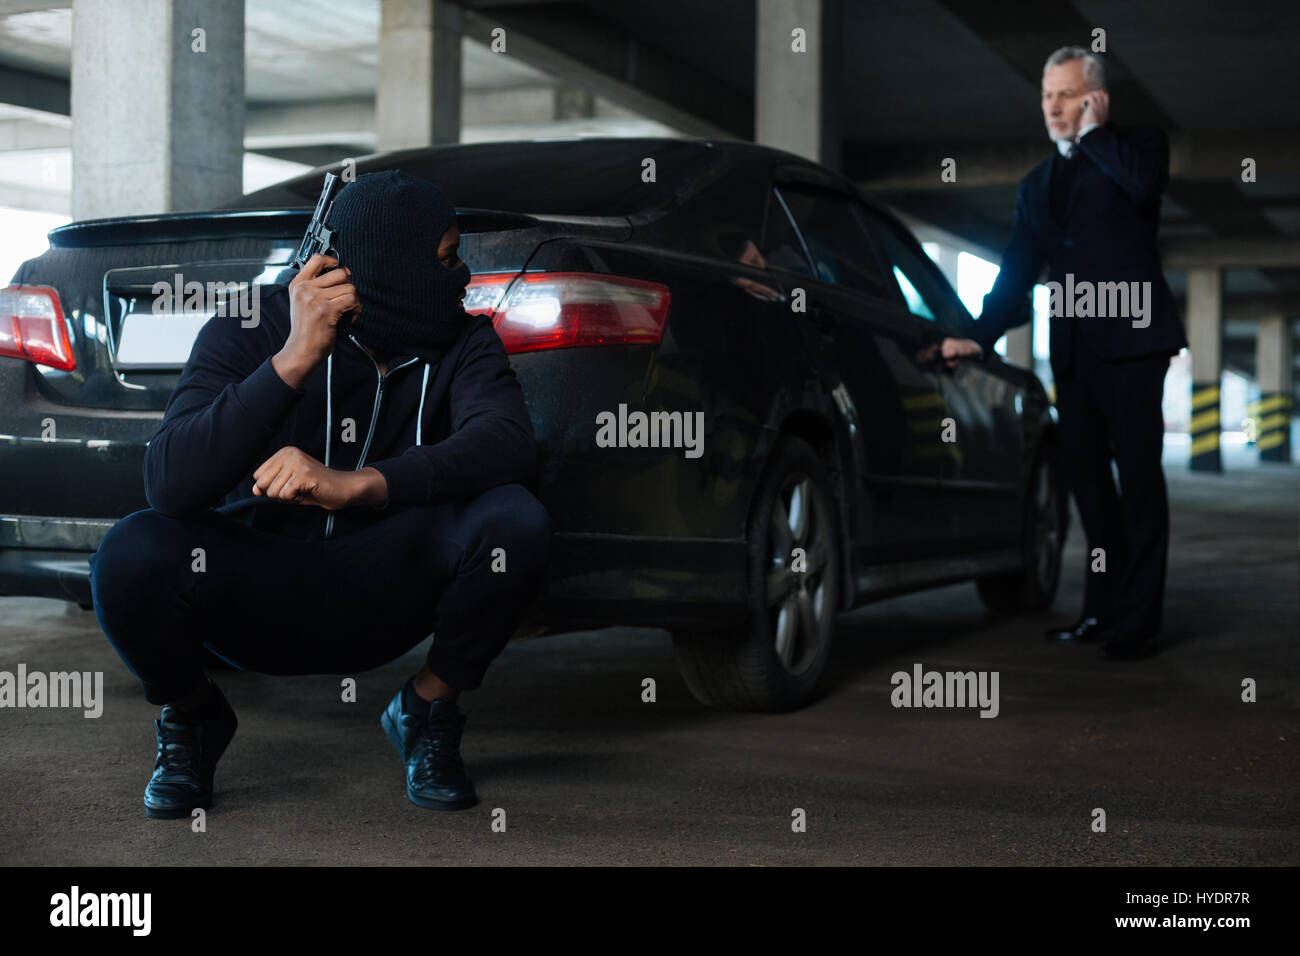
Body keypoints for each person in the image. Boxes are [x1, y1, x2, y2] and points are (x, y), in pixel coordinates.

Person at [88, 170, 552, 817]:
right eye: (446, 260)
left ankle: (425, 709)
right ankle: (192, 719)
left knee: (516, 520)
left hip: (389, 587)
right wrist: (294, 359)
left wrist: (359, 485)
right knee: (129, 553)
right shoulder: (250, 329)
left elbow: (507, 444)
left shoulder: (464, 341)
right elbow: (169, 482)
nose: (462, 276)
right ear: (387, 267)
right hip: (257, 585)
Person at [949, 46, 1187, 660]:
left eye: (1067, 95)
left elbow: (1142, 187)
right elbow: (1017, 272)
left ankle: (1140, 622)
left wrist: (1095, 136)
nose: (1053, 107)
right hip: (1075, 351)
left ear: (1095, 98)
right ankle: (1101, 611)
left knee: (1137, 481)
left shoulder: (1137, 149)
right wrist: (979, 333)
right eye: (1047, 96)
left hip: (1134, 343)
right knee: (1085, 483)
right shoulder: (1036, 185)